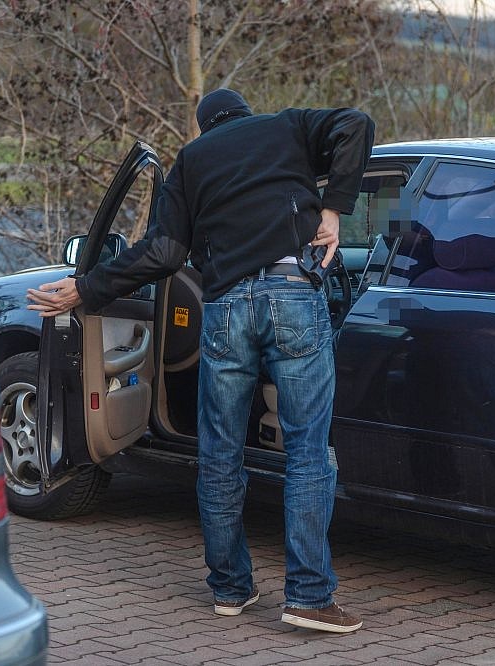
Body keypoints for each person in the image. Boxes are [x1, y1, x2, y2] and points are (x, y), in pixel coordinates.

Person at [26, 89, 375, 633]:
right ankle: (308, 597)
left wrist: (85, 288)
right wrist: (334, 208)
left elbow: (164, 253)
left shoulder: (192, 160)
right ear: (244, 114)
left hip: (227, 306)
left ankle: (230, 589)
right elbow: (355, 122)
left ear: (206, 125)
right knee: (307, 450)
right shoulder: (286, 125)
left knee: (218, 453)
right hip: (292, 295)